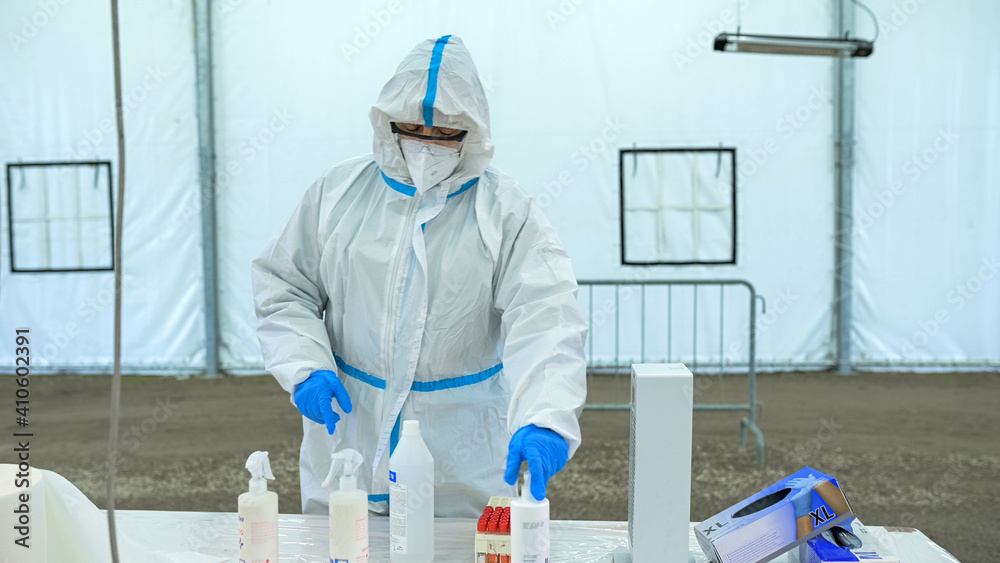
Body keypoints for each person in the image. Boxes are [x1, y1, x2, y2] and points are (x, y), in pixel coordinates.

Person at [251, 35, 587, 517]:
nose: (427, 146)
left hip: (461, 455)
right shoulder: (337, 195)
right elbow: (285, 286)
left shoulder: (507, 214)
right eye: (411, 128)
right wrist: (306, 365)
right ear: (387, 123)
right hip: (349, 442)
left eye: (446, 133)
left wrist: (545, 417)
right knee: (343, 545)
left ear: (472, 131)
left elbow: (548, 318)